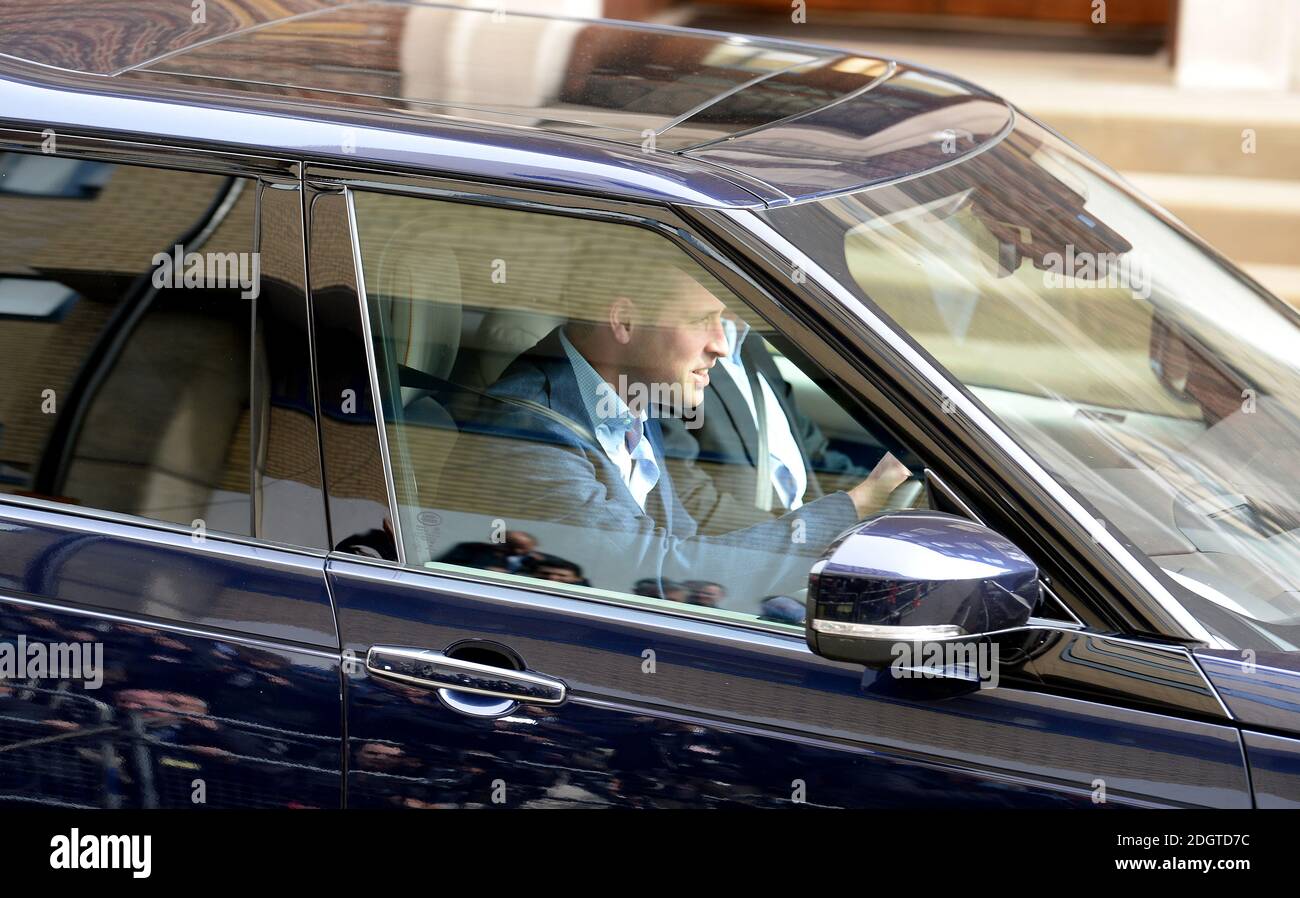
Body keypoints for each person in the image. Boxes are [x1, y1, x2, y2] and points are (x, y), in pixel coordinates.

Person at [437, 241, 910, 608]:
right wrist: (855, 506)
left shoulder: (626, 404)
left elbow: (683, 548)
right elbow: (660, 573)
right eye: (702, 319)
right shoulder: (524, 433)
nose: (722, 346)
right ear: (623, 321)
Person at [659, 313, 874, 534]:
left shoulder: (749, 343)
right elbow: (689, 503)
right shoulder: (675, 367)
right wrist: (817, 529)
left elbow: (814, 455)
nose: (720, 347)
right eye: (702, 319)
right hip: (759, 553)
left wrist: (884, 497)